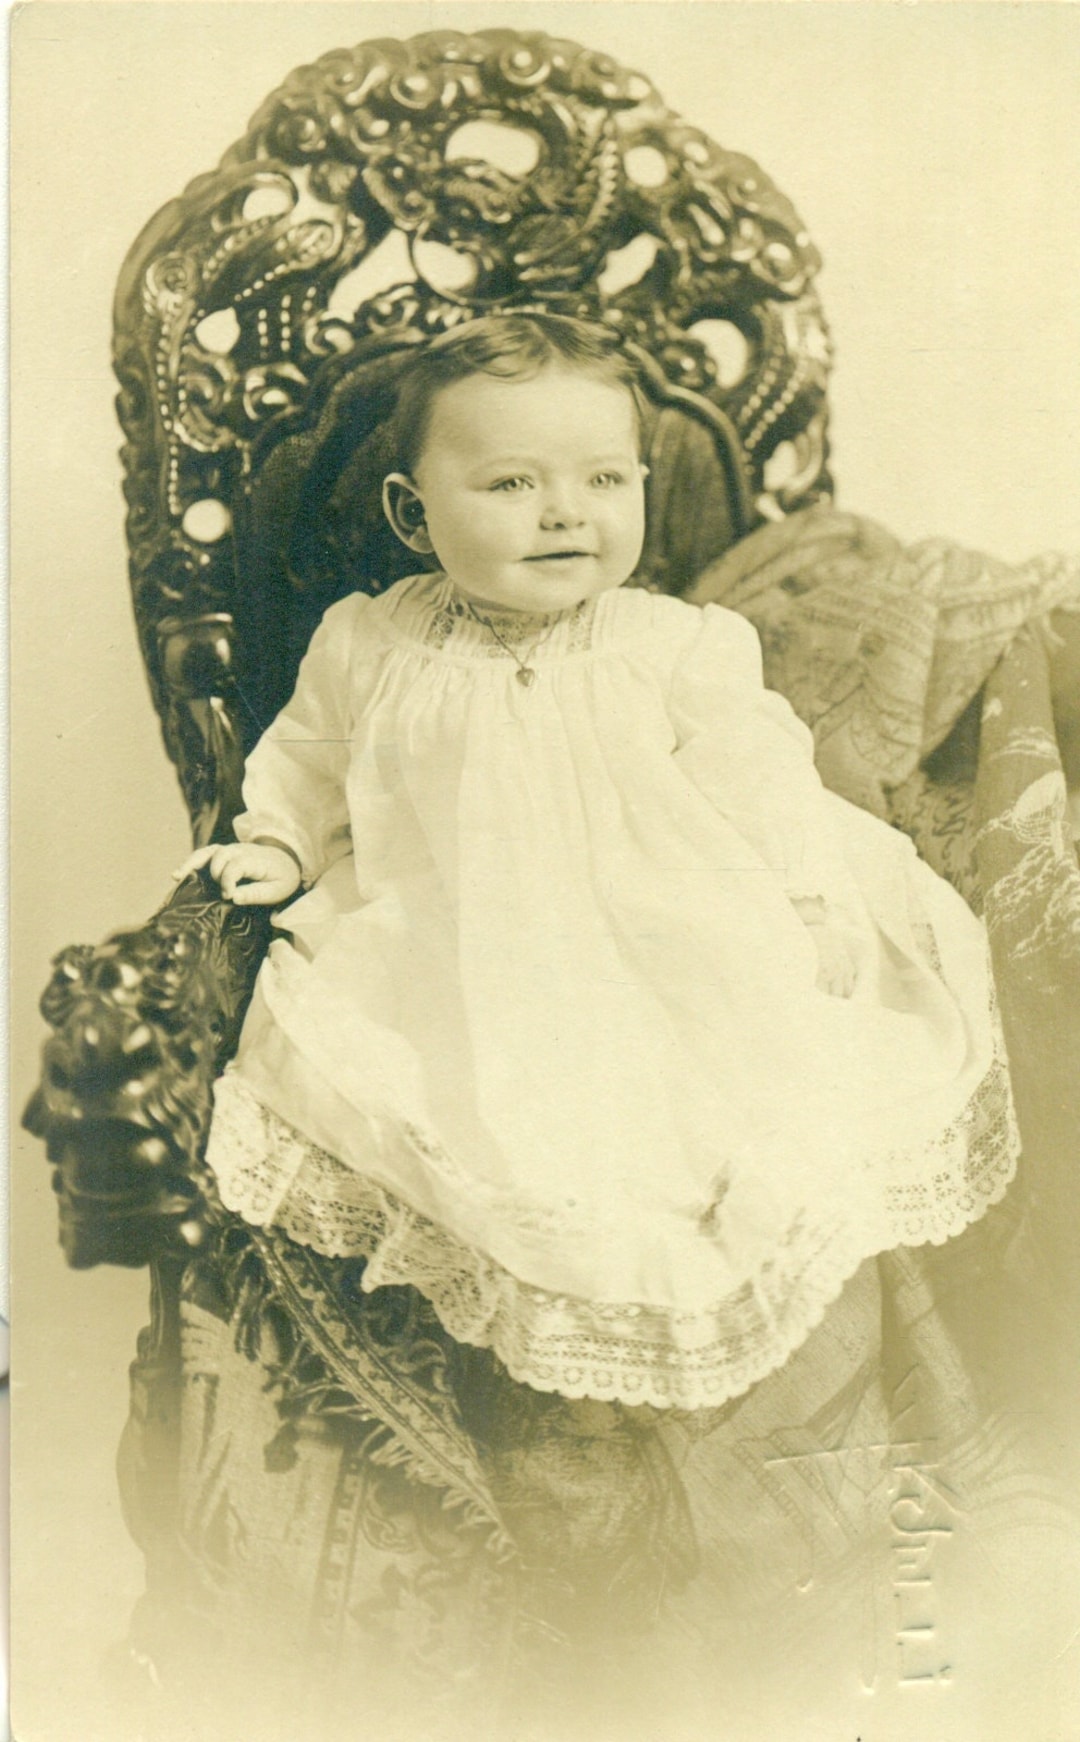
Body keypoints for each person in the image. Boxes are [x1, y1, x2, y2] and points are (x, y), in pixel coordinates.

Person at [175, 312, 1019, 1416]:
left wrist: (810, 900)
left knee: (725, 1084)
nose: (567, 512)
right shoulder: (367, 640)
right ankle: (552, 1337)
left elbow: (763, 781)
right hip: (460, 940)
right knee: (489, 1109)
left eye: (605, 479)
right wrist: (280, 844)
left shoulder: (673, 645)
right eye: (512, 483)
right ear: (412, 513)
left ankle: (733, 1301)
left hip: (667, 916)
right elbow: (307, 760)